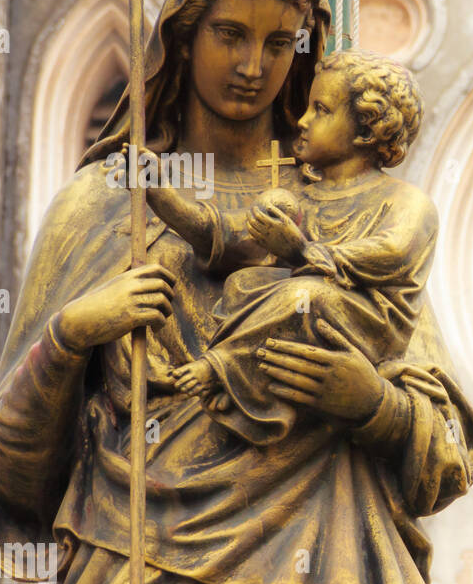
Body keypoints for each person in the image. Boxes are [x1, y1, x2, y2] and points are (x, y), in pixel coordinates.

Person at [0, 0, 473, 584]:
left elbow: (443, 451)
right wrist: (67, 339)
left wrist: (372, 406)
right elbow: (14, 485)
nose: (252, 67)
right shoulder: (106, 205)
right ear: (184, 33)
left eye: (280, 44)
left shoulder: (350, 204)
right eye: (229, 34)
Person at [146, 49, 437, 446]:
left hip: (368, 321)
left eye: (320, 110)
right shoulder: (298, 194)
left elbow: (392, 253)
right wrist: (158, 193)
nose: (302, 121)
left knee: (306, 293)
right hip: (308, 311)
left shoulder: (405, 201)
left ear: (366, 132)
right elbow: (231, 237)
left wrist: (302, 252)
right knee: (242, 285)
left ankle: (220, 368)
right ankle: (250, 378)